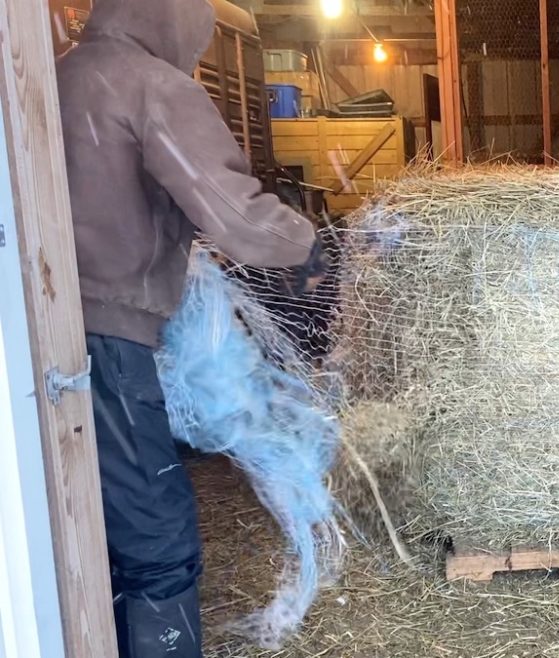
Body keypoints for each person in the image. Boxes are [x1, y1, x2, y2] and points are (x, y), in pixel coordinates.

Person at [55, 0, 319, 655]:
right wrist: (309, 241)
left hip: (47, 326)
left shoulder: (58, 75)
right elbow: (237, 216)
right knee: (156, 536)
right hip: (108, 338)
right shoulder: (150, 86)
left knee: (88, 525)